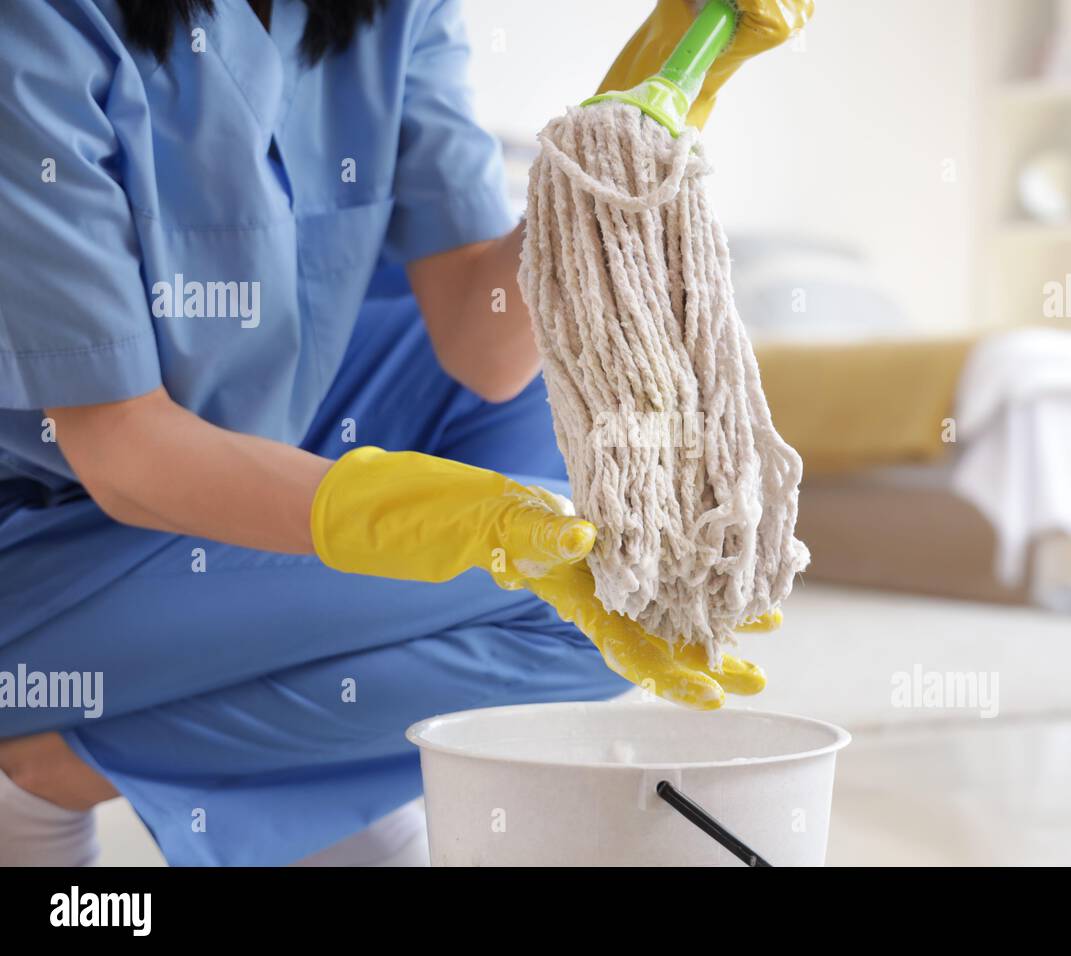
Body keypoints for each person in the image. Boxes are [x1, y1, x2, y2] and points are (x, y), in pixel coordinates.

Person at [0, 0, 810, 866]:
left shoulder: (399, 11)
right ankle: (99, 779)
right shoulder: (41, 21)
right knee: (565, 602)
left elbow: (485, 335)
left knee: (617, 553)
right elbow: (125, 454)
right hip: (47, 534)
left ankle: (74, 766)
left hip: (251, 466)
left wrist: (647, 100)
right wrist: (457, 524)